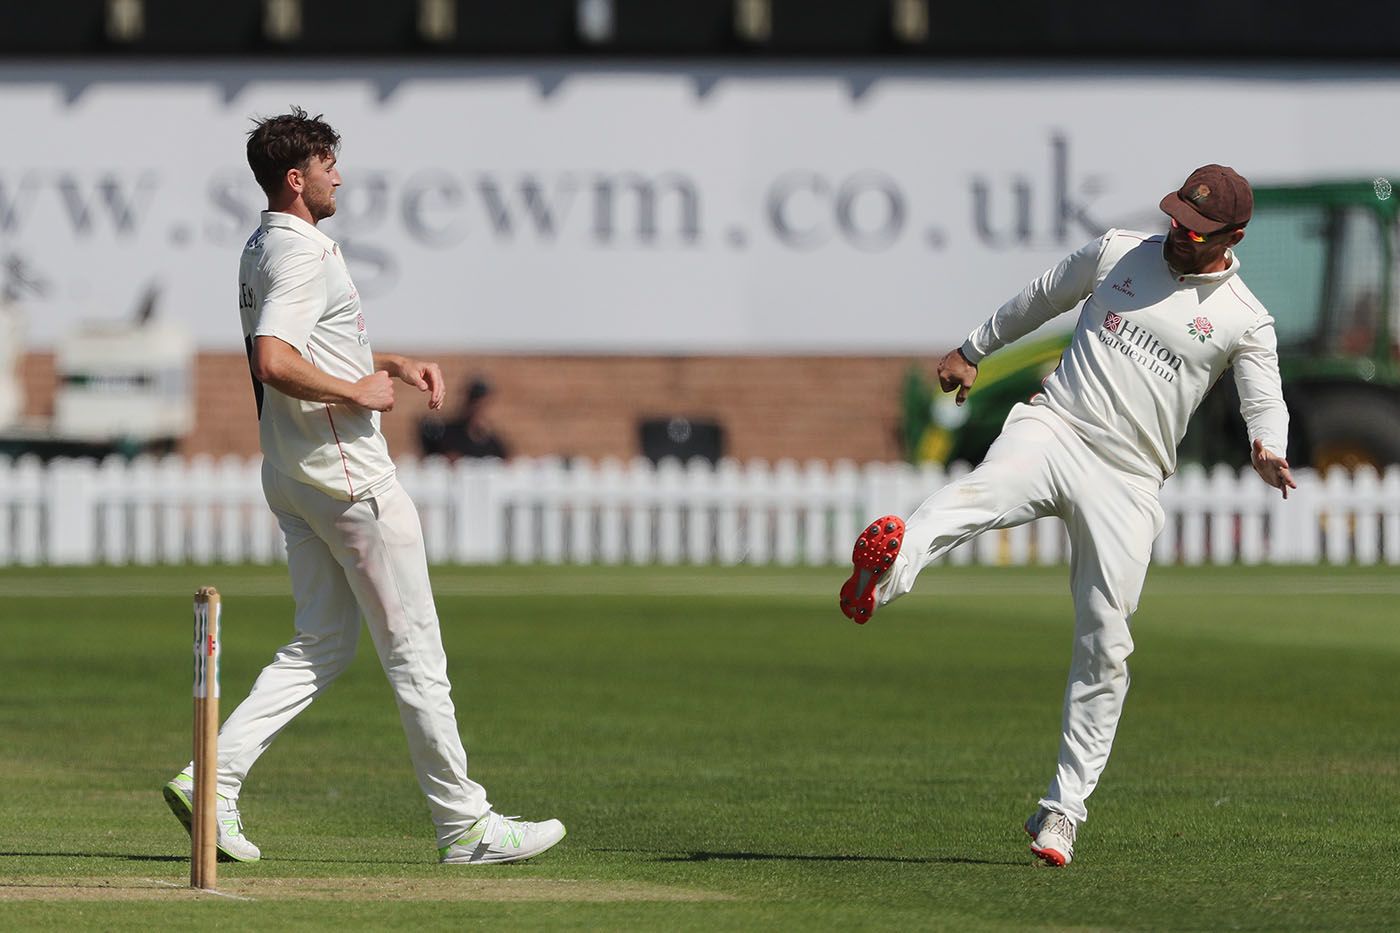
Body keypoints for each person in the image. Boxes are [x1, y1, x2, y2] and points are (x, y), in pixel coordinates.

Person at [839, 164, 1295, 867]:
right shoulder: (1118, 251)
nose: (1181, 233)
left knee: (1106, 643)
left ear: (1233, 237)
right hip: (1056, 427)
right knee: (976, 494)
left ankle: (1062, 811)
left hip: (1130, 478)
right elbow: (1041, 296)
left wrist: (1269, 446)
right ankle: (882, 577)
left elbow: (1264, 397)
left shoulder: (1245, 316)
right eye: (1177, 217)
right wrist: (972, 350)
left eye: (1199, 230)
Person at [162, 107, 565, 865]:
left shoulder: (262, 244)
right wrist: (357, 391)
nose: (339, 177)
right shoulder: (302, 252)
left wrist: (391, 364)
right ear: (296, 178)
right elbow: (273, 358)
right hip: (349, 480)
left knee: (322, 642)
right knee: (415, 653)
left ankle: (210, 780)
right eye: (327, 166)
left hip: (294, 474)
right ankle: (465, 825)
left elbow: (310, 342)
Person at [419, 377, 510, 460]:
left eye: (484, 405)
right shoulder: (447, 434)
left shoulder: (492, 442)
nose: (479, 409)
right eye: (475, 403)